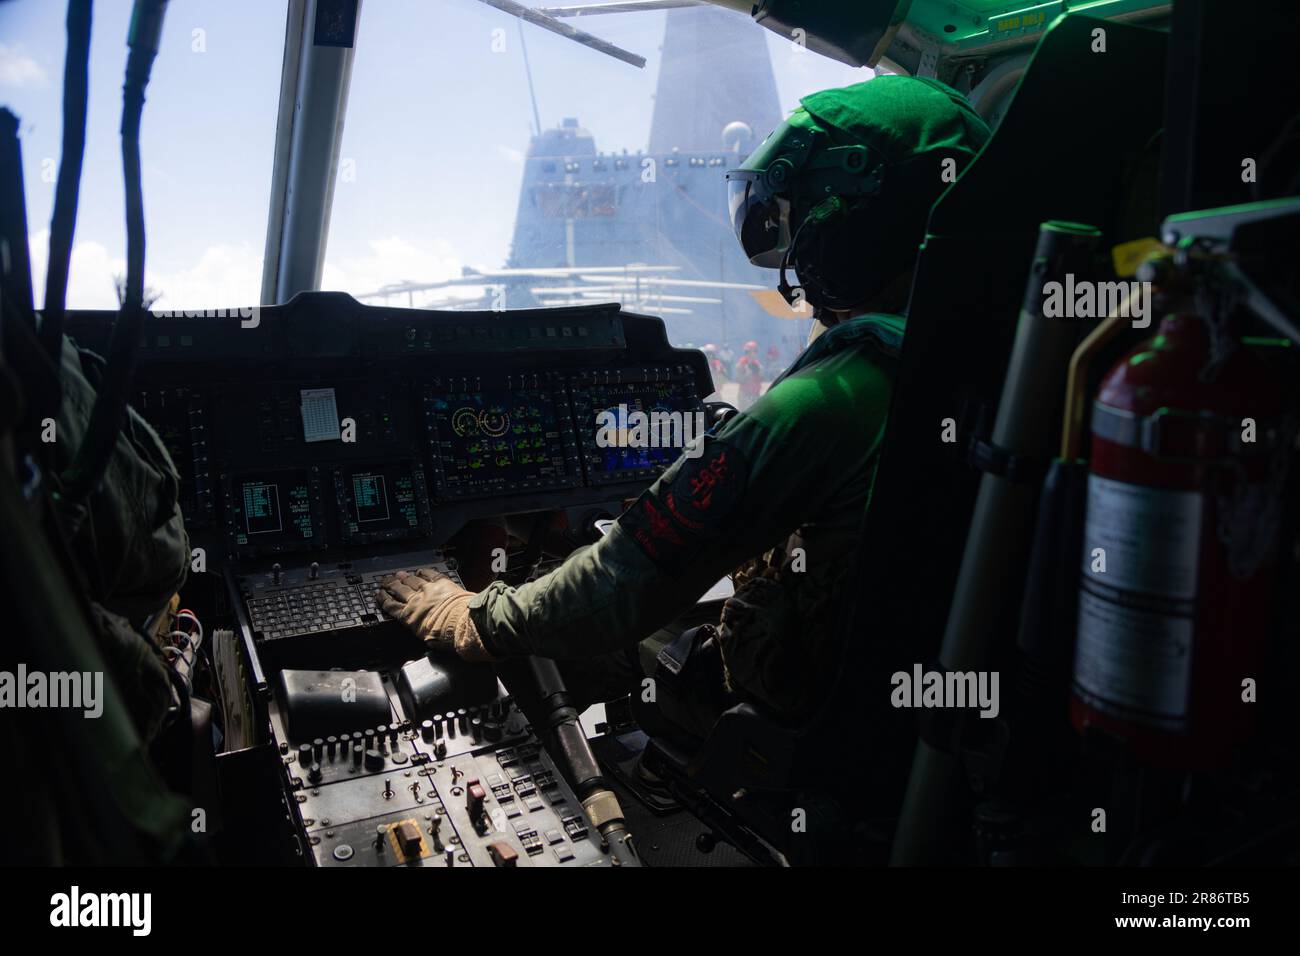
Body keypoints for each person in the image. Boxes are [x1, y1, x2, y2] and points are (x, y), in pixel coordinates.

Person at [379, 76, 990, 735]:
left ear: (854, 227)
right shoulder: (1005, 347)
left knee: (605, 640)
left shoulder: (842, 395)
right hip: (937, 698)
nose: (800, 263)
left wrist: (469, 618)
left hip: (830, 717)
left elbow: (625, 579)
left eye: (804, 224)